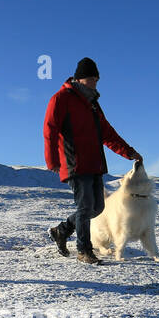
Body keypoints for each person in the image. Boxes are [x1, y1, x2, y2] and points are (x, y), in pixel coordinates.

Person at [42, 58, 141, 264]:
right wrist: (51, 159)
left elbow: (108, 134)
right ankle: (84, 251)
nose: (95, 82)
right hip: (74, 162)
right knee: (85, 206)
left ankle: (61, 231)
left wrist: (129, 152)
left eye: (97, 79)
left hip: (95, 163)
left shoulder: (93, 105)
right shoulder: (61, 98)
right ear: (79, 78)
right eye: (91, 78)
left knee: (96, 208)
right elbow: (50, 129)